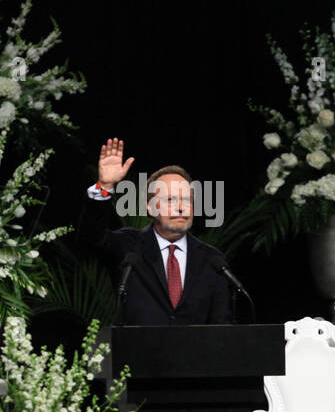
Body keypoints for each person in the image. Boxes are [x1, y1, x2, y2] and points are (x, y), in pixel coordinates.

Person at [78, 138, 233, 326]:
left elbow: (222, 327)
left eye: (186, 200)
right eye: (170, 200)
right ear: (150, 207)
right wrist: (104, 187)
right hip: (137, 353)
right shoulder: (129, 247)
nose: (181, 208)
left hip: (195, 355)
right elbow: (91, 236)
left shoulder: (212, 260)